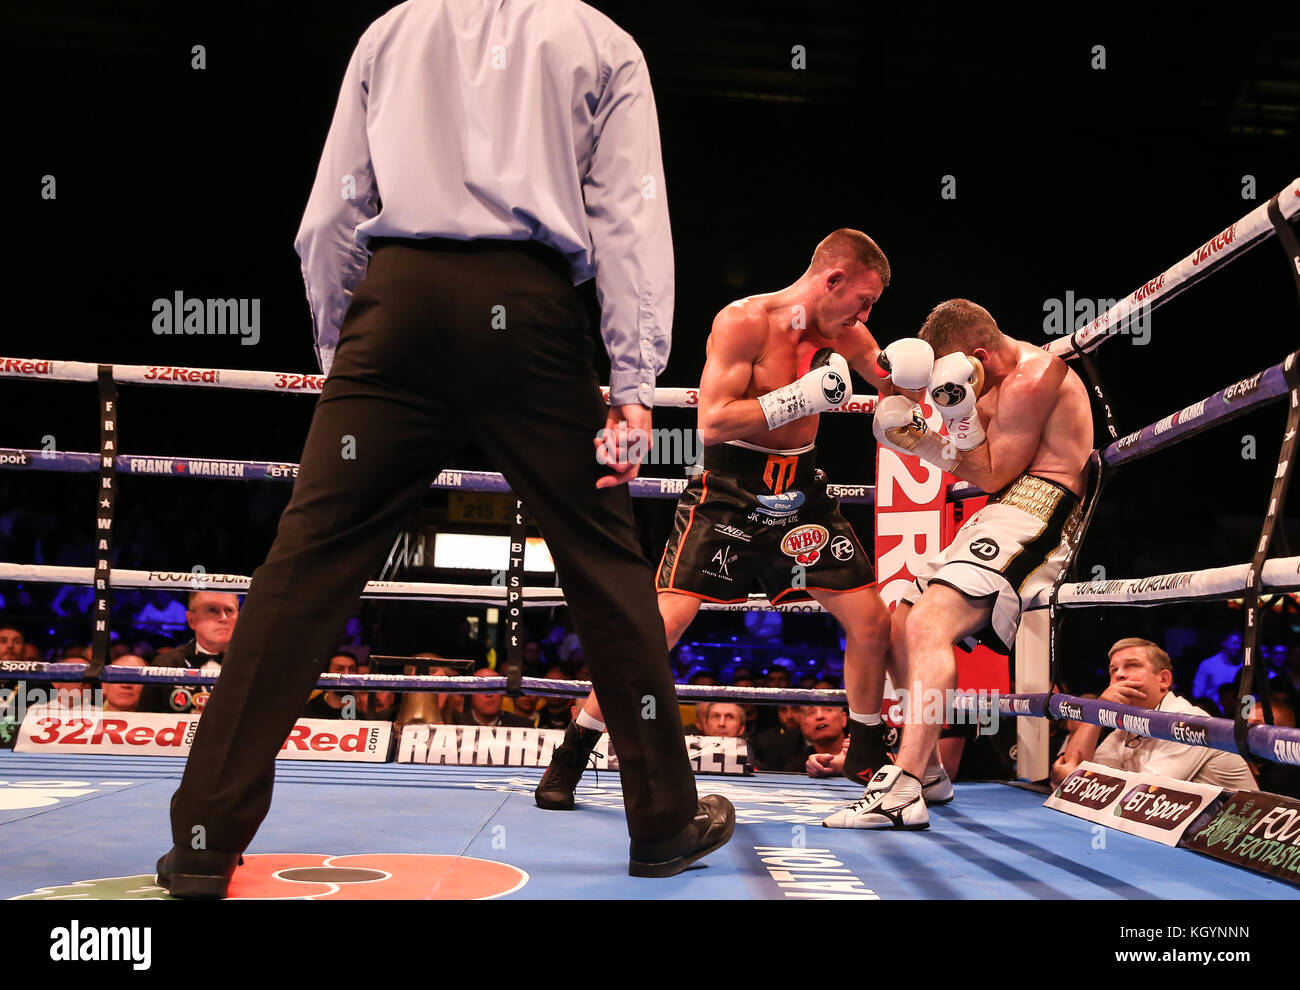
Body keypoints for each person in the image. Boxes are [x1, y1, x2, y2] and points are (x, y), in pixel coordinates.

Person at [156, 0, 732, 897]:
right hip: (533, 312)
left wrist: (344, 347)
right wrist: (633, 383)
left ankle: (201, 836)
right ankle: (661, 822)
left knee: (302, 568)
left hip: (397, 306)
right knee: (607, 568)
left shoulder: (392, 29)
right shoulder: (598, 39)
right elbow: (628, 216)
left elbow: (329, 216)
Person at [536, 228, 910, 810]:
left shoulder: (849, 333)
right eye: (862, 299)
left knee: (870, 620)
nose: (864, 315)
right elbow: (710, 422)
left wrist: (929, 378)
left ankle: (864, 748)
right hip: (730, 492)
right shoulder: (744, 322)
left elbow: (892, 381)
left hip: (802, 495)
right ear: (832, 280)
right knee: (657, 631)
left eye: (871, 307)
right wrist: (802, 398)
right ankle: (573, 754)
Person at [826, 298, 1094, 829]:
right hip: (998, 513)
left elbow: (991, 474)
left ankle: (901, 788)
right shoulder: (984, 382)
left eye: (962, 373)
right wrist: (912, 424)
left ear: (979, 354)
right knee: (896, 615)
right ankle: (925, 770)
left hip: (1041, 511)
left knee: (929, 622)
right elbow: (983, 469)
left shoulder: (1032, 376)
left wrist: (926, 441)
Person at [1051, 639, 1256, 789]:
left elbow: (1142, 797)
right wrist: (1098, 710)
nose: (1120, 674)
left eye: (1132, 665)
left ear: (1164, 680)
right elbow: (1070, 776)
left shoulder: (1188, 722)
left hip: (1242, 839)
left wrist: (1080, 780)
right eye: (1113, 670)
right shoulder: (1127, 726)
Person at [139, 591, 239, 715]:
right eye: (212, 610)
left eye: (229, 610)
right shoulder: (165, 664)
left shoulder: (254, 665)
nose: (223, 618)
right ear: (192, 620)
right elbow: (145, 722)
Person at [453, 669, 535, 729]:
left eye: (495, 688)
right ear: (471, 694)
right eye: (482, 688)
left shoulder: (523, 726)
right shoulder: (455, 725)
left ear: (503, 693)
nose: (489, 694)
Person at [1191, 631, 1245, 700]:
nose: (1238, 647)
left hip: (1237, 709)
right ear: (1224, 643)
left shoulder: (1242, 666)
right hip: (1213, 709)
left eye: (1240, 644)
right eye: (1234, 643)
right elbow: (1197, 693)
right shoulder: (1207, 664)